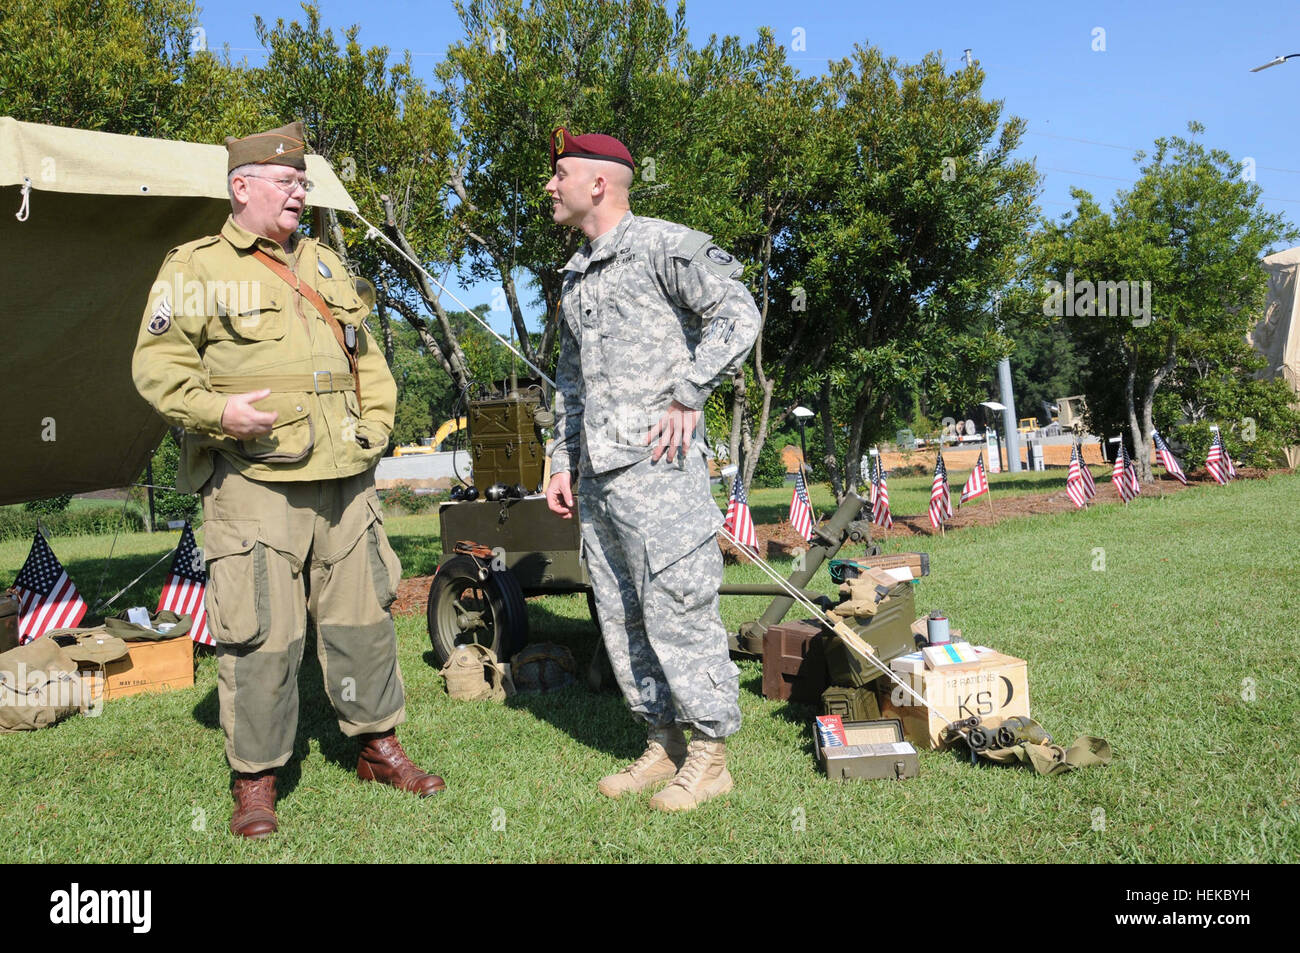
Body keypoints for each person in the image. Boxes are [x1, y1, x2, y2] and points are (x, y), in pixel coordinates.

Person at [132, 121, 444, 840]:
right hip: (253, 481)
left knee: (363, 620)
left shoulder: (327, 264)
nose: (300, 190)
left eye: (304, 181)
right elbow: (156, 365)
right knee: (262, 633)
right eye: (286, 181)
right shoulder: (197, 266)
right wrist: (217, 411)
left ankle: (376, 746)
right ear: (242, 188)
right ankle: (256, 778)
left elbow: (367, 359)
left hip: (344, 478)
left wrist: (376, 427)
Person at [543, 127, 761, 812]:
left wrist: (689, 390)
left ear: (598, 183)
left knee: (677, 602)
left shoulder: (664, 245)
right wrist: (560, 459)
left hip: (659, 469)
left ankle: (709, 753)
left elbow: (739, 313)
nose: (550, 187)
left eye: (560, 175)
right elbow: (570, 381)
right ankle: (662, 740)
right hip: (601, 475)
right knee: (622, 611)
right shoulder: (577, 273)